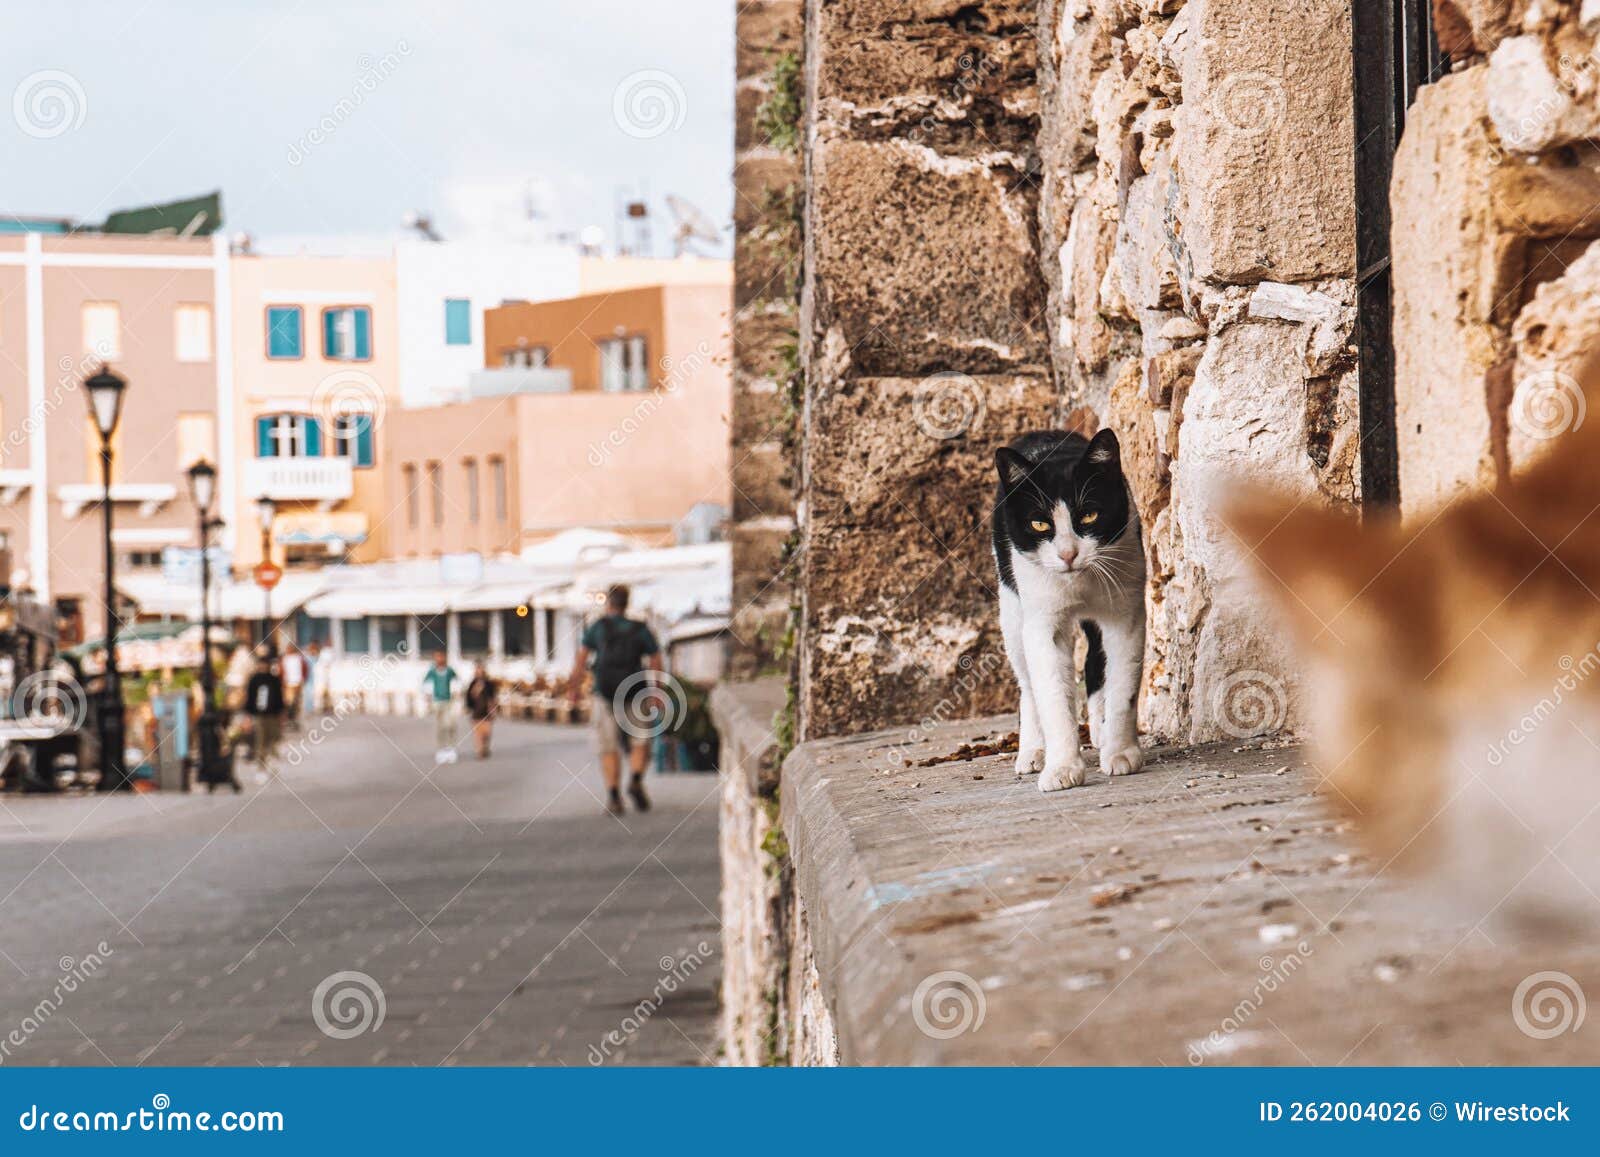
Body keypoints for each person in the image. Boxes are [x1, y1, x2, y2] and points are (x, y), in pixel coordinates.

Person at [568, 585, 661, 816]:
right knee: (640, 741)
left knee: (607, 746)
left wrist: (574, 690)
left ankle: (614, 796)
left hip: (605, 693)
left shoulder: (597, 628)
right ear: (626, 603)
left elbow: (581, 661)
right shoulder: (640, 629)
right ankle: (636, 779)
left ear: (608, 603)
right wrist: (656, 691)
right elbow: (656, 660)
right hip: (635, 691)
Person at [244, 652, 286, 784]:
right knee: (260, 742)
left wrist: (281, 715)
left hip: (272, 715)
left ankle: (271, 765)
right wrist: (248, 717)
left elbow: (279, 698)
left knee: (273, 740)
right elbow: (249, 699)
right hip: (259, 716)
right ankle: (261, 769)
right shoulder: (254, 680)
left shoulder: (273, 679)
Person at [423, 651, 459, 763]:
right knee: (440, 726)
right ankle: (441, 749)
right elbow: (427, 685)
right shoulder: (432, 672)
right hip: (437, 702)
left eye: (441, 656)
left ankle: (451, 748)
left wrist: (456, 696)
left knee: (450, 724)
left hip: (449, 701)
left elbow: (456, 684)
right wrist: (428, 700)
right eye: (437, 656)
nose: (440, 658)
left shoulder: (450, 671)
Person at [465, 662, 498, 759]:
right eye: (477, 670)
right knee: (478, 733)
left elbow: (493, 697)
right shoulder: (472, 684)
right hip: (476, 712)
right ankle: (480, 750)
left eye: (480, 670)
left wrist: (493, 709)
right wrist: (475, 690)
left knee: (487, 732)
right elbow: (469, 698)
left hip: (487, 711)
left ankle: (485, 747)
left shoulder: (489, 684)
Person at [280, 645, 306, 731]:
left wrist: (303, 679)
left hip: (297, 683)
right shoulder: (284, 659)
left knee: (296, 702)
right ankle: (289, 720)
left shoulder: (299, 658)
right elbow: (281, 671)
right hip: (288, 683)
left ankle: (294, 720)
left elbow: (304, 669)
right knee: (289, 703)